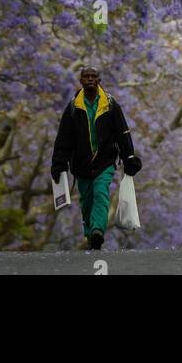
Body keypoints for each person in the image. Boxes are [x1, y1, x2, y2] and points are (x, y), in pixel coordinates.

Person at [51, 66, 142, 249]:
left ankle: (97, 231)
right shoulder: (73, 107)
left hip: (104, 162)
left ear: (99, 81)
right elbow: (63, 138)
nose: (90, 79)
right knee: (87, 201)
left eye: (94, 76)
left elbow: (122, 133)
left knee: (101, 194)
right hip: (81, 165)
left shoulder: (110, 104)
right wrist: (58, 163)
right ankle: (91, 235)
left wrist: (129, 157)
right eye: (86, 76)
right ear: (81, 81)